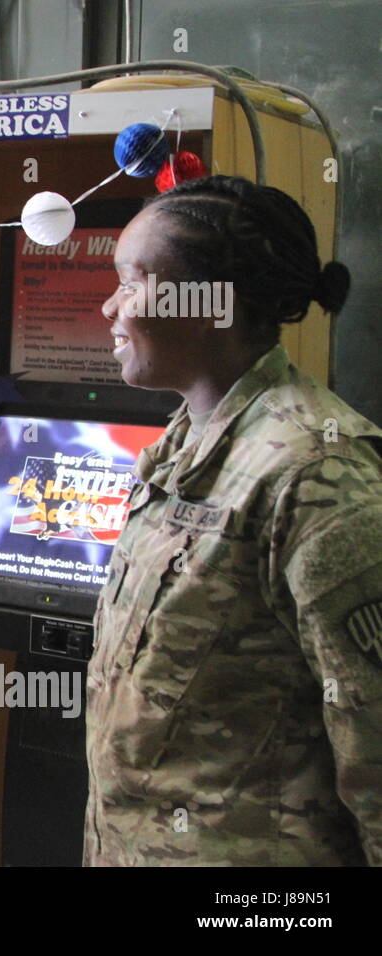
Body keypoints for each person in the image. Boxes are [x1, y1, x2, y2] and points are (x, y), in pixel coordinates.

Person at [85, 175, 382, 866]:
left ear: (213, 304)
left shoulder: (315, 475)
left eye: (132, 282)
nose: (109, 306)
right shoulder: (182, 449)